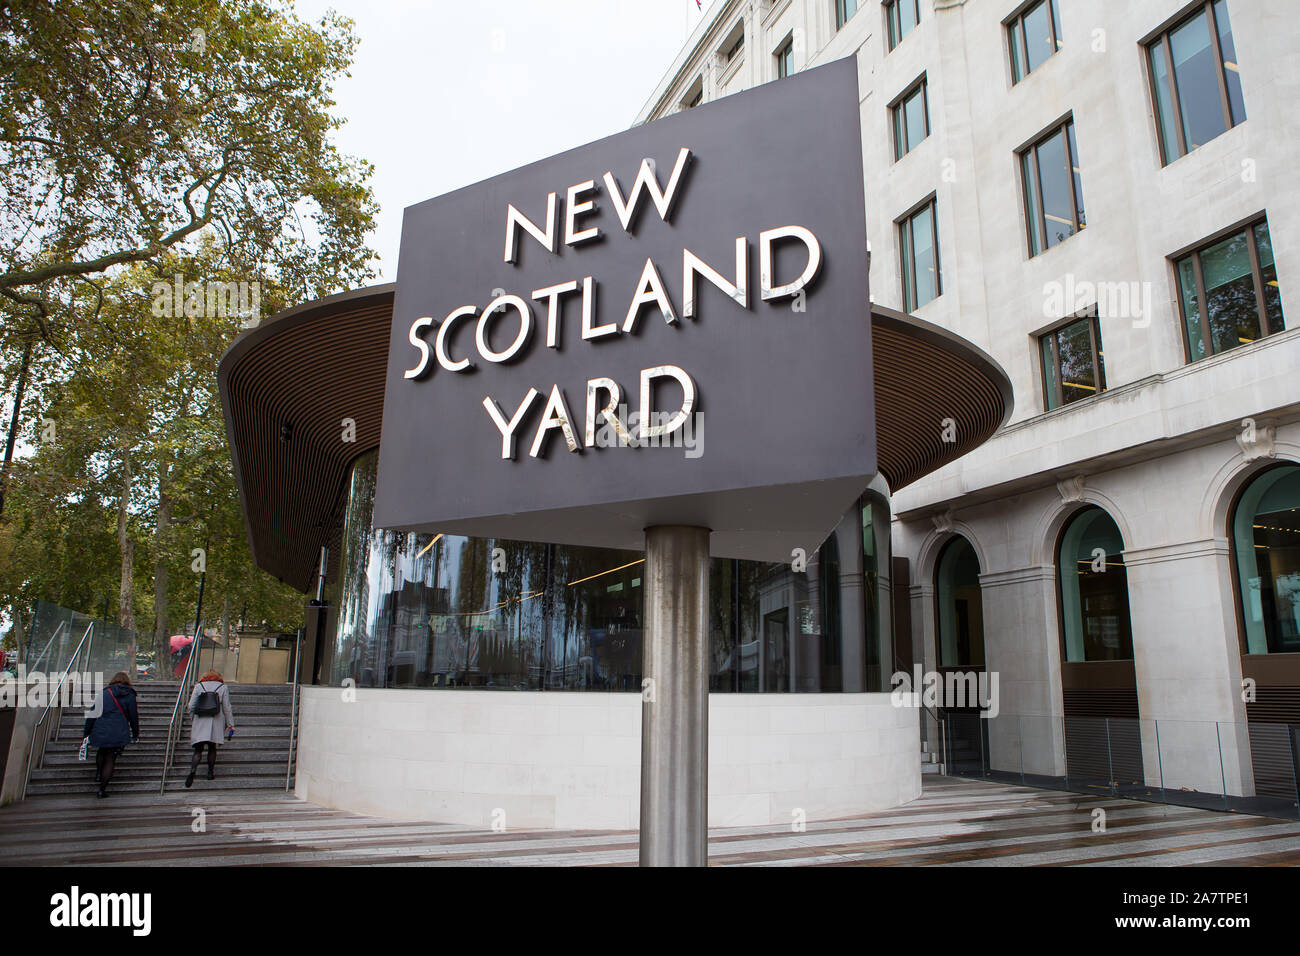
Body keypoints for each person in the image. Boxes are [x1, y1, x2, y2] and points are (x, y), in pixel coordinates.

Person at [83, 671, 140, 798]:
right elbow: (133, 716)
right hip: (119, 730)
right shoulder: (130, 695)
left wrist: (87, 731)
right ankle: (102, 789)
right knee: (110, 759)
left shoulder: (104, 693)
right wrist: (135, 733)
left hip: (101, 728)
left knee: (101, 752)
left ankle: (99, 772)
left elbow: (93, 713)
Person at [186, 670, 235, 787]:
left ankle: (193, 770)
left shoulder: (199, 686)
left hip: (200, 720)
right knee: (212, 748)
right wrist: (230, 724)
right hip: (216, 720)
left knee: (198, 750)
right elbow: (226, 707)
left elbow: (190, 705)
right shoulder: (222, 687)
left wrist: (192, 717)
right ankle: (210, 772)